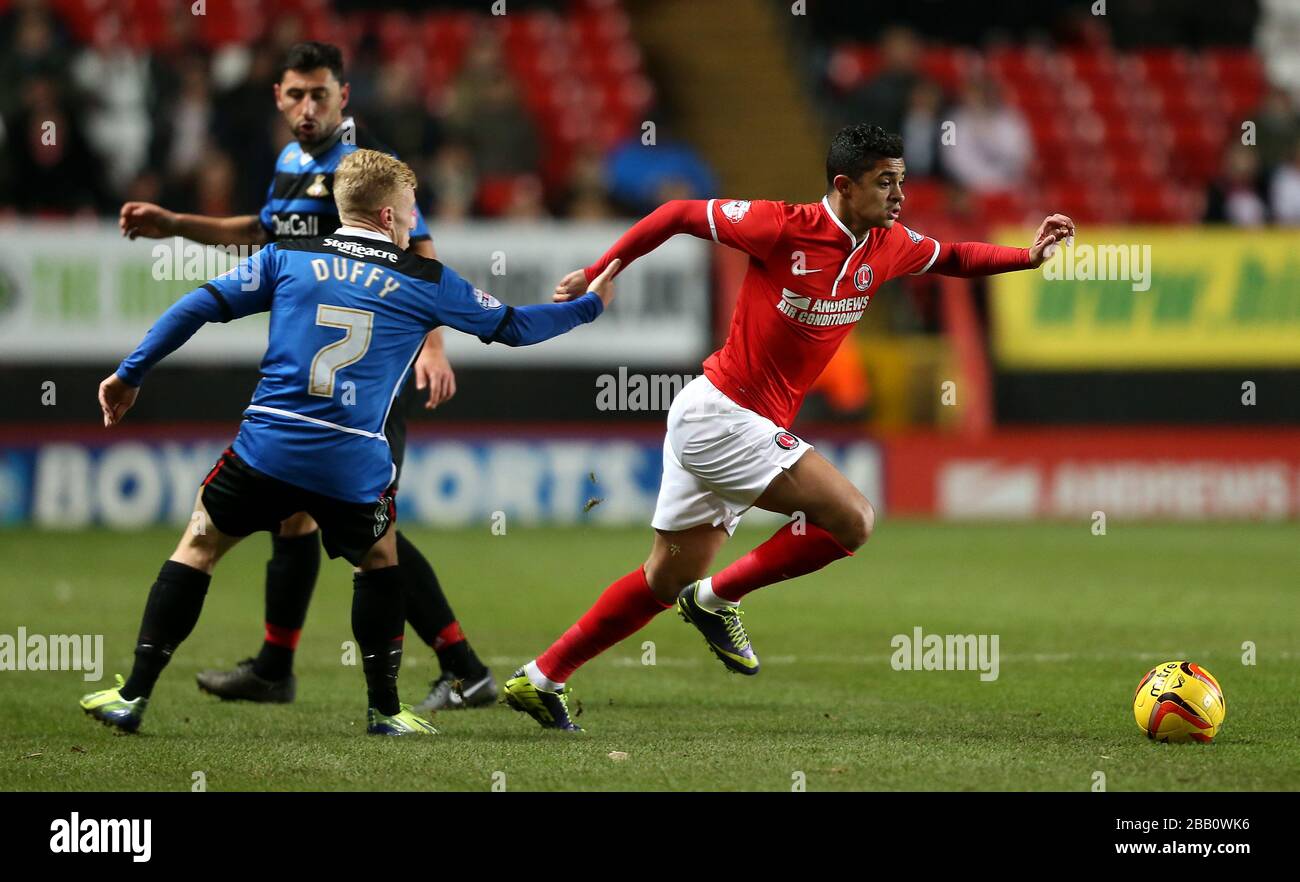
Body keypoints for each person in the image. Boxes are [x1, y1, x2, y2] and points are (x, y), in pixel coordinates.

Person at [502, 124, 1073, 730]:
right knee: (853, 518)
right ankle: (716, 598)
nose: (899, 195)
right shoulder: (782, 226)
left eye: (901, 181)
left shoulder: (889, 244)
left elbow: (953, 256)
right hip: (722, 415)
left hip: (728, 421)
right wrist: (598, 269)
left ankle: (542, 677)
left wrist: (1027, 257)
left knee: (664, 579)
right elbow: (675, 214)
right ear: (844, 185)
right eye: (885, 182)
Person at [81, 149, 620, 735]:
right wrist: (591, 306)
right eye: (410, 212)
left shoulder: (287, 257)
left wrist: (130, 374)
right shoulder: (426, 280)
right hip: (351, 459)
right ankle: (384, 711)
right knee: (380, 560)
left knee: (199, 544)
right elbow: (517, 327)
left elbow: (198, 306)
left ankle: (133, 696)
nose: (413, 224)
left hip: (268, 445)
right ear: (388, 216)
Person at [118, 41, 494, 712]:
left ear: (343, 95)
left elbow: (420, 248)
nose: (308, 106)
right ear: (279, 97)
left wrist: (435, 345)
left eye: (320, 93)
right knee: (295, 517)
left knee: (370, 527)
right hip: (313, 374)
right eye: (296, 94)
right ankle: (274, 667)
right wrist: (175, 224)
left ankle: (464, 667)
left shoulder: (364, 163)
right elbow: (264, 232)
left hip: (366, 380)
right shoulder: (292, 161)